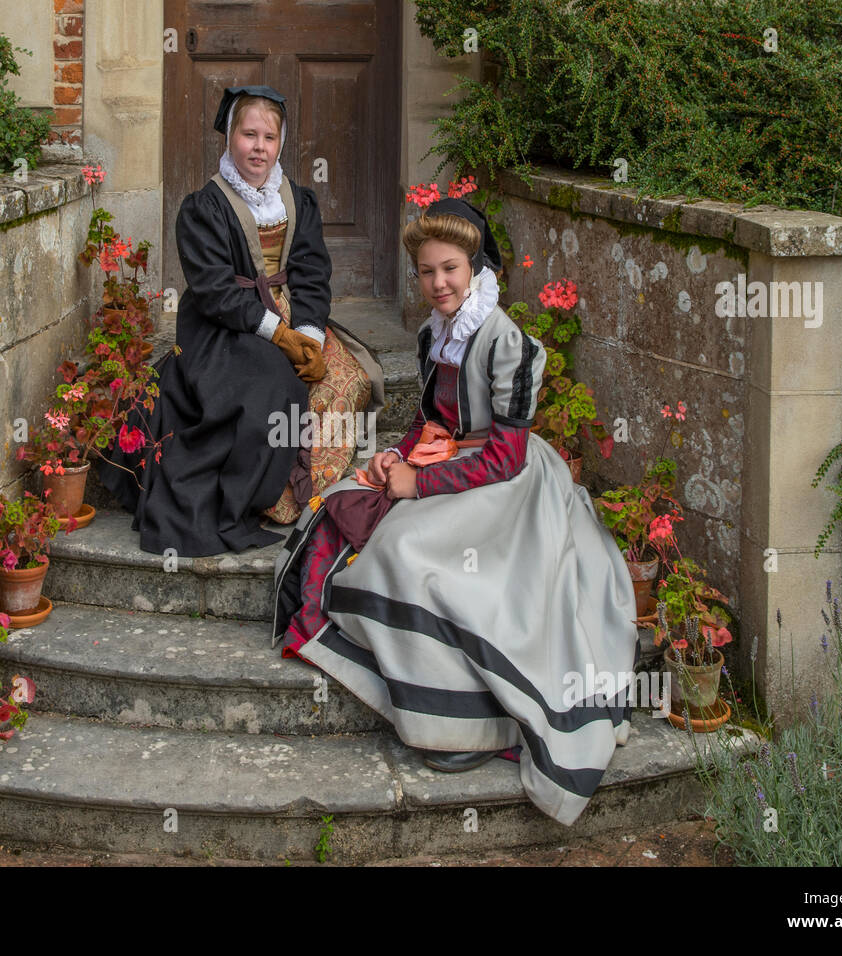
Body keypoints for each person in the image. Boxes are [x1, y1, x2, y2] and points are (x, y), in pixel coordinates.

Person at [269, 198, 641, 826]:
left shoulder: (508, 344)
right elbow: (429, 420)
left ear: (475, 268)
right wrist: (394, 458)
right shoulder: (430, 337)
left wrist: (422, 482)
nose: (437, 283)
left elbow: (504, 455)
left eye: (450, 269)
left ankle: (463, 723)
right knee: (340, 501)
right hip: (448, 466)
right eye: (426, 271)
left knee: (411, 553)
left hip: (511, 484)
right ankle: (431, 697)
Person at [99, 85, 383, 557]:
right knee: (273, 388)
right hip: (226, 324)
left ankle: (303, 493)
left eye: (269, 137)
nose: (259, 147)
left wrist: (309, 333)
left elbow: (313, 271)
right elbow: (213, 289)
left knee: (351, 378)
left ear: (281, 143)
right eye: (249, 134)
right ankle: (266, 497)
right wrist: (278, 336)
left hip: (293, 315)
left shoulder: (300, 201)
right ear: (230, 137)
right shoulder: (202, 207)